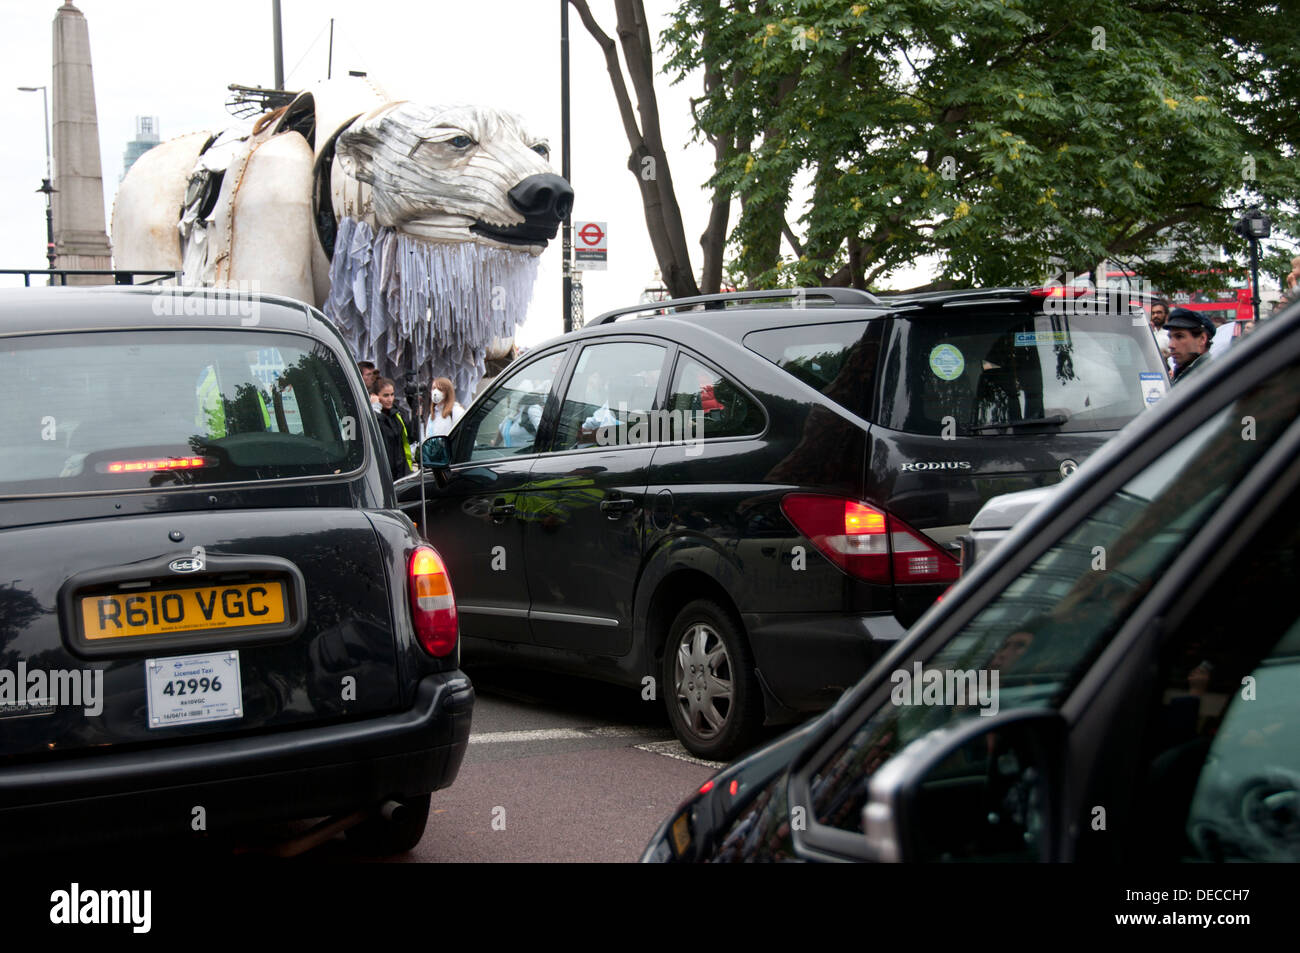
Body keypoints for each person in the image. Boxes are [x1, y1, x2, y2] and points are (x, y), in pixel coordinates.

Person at [370, 376, 413, 478]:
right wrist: (375, 410)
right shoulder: (371, 416)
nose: (390, 399)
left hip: (401, 471)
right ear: (375, 396)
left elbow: (410, 436)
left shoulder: (398, 413)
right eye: (386, 395)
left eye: (392, 395)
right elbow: (378, 433)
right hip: (382, 473)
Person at [1165, 308, 1210, 385]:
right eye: (1170, 337)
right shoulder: (1185, 372)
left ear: (1202, 339)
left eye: (1179, 336)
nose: (1170, 345)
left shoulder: (1208, 377)